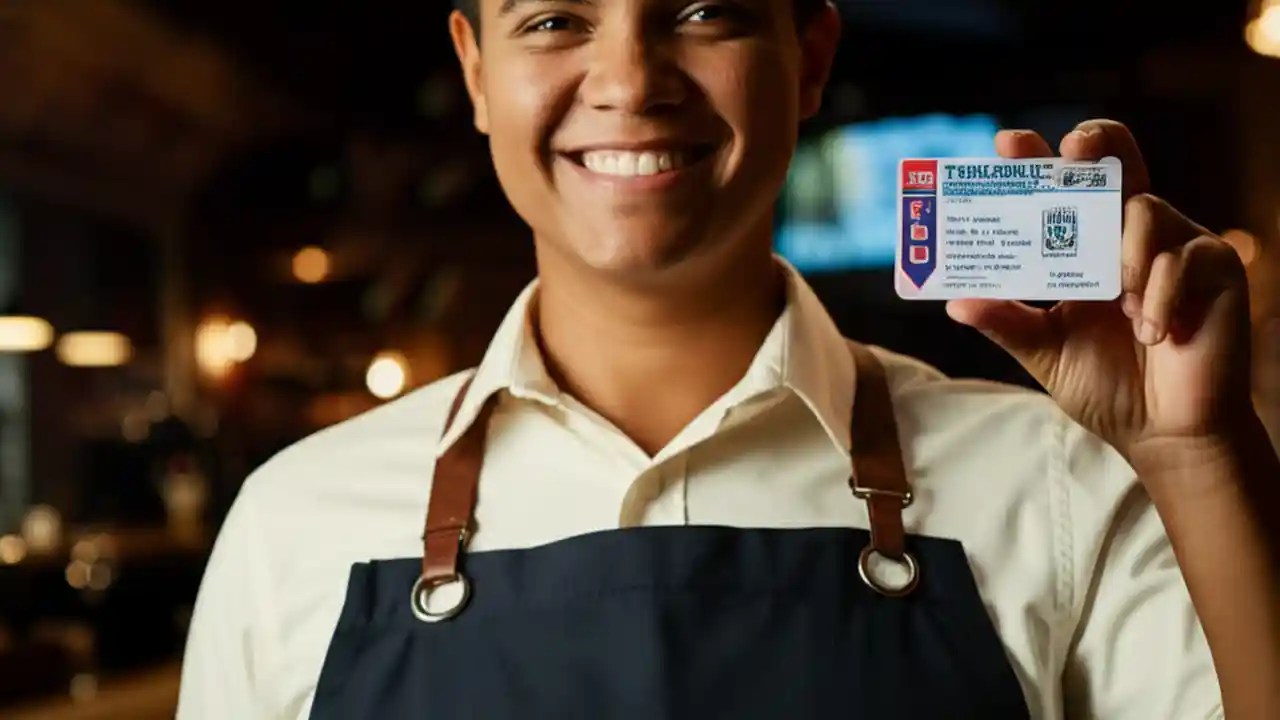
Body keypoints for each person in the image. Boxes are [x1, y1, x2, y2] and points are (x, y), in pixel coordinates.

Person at [176, 1, 1280, 718]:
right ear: (472, 70)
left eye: (701, 11)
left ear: (807, 57)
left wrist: (1195, 456)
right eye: (556, 20)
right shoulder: (294, 524)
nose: (631, 79)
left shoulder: (1058, 485)